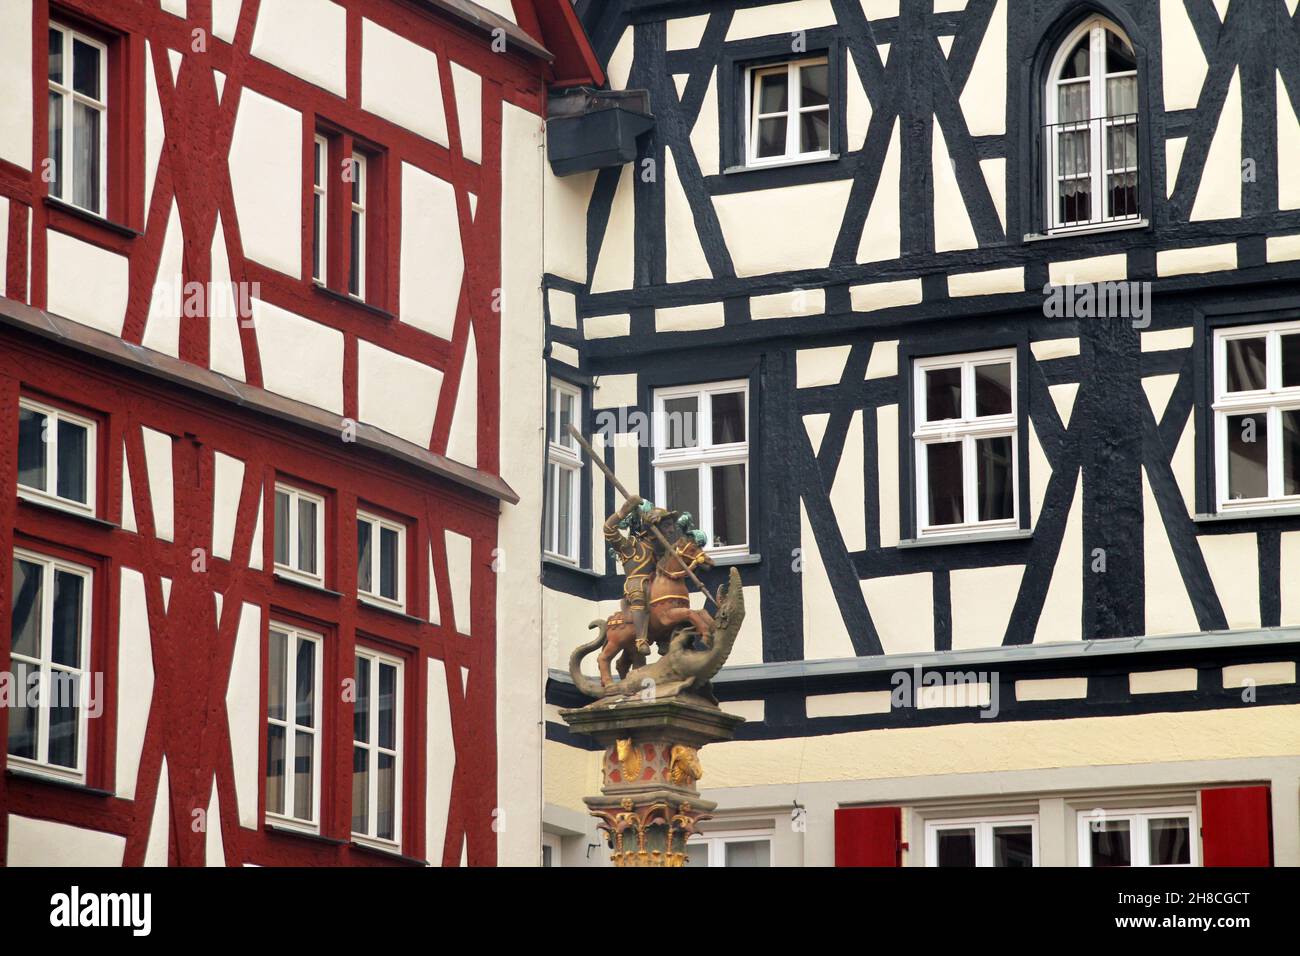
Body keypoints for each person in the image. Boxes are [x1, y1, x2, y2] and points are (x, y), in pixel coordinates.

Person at [603, 494, 658, 656]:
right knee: (638, 592)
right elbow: (608, 529)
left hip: (655, 581)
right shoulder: (629, 546)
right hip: (637, 583)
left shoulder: (657, 543)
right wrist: (624, 511)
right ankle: (641, 639)